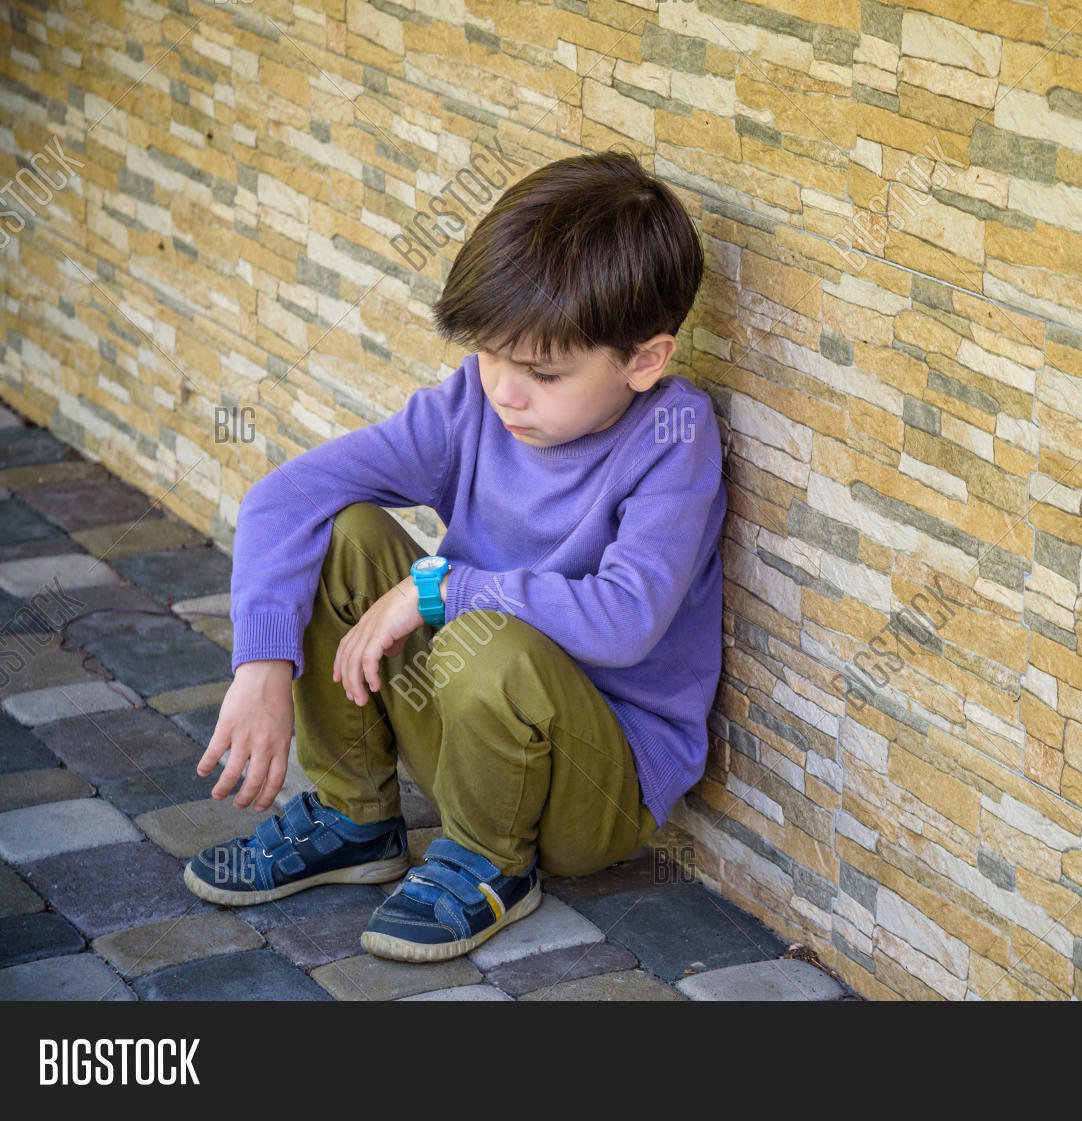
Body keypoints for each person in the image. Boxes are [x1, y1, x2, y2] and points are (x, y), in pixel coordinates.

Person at [182, 149, 727, 963]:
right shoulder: (475, 403)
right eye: (491, 354)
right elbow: (285, 498)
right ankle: (354, 818)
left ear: (644, 360)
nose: (505, 392)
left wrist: (440, 590)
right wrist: (261, 664)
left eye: (543, 372)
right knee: (345, 530)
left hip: (595, 791)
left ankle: (491, 865)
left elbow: (625, 620)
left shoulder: (674, 438)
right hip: (470, 736)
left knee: (493, 641)